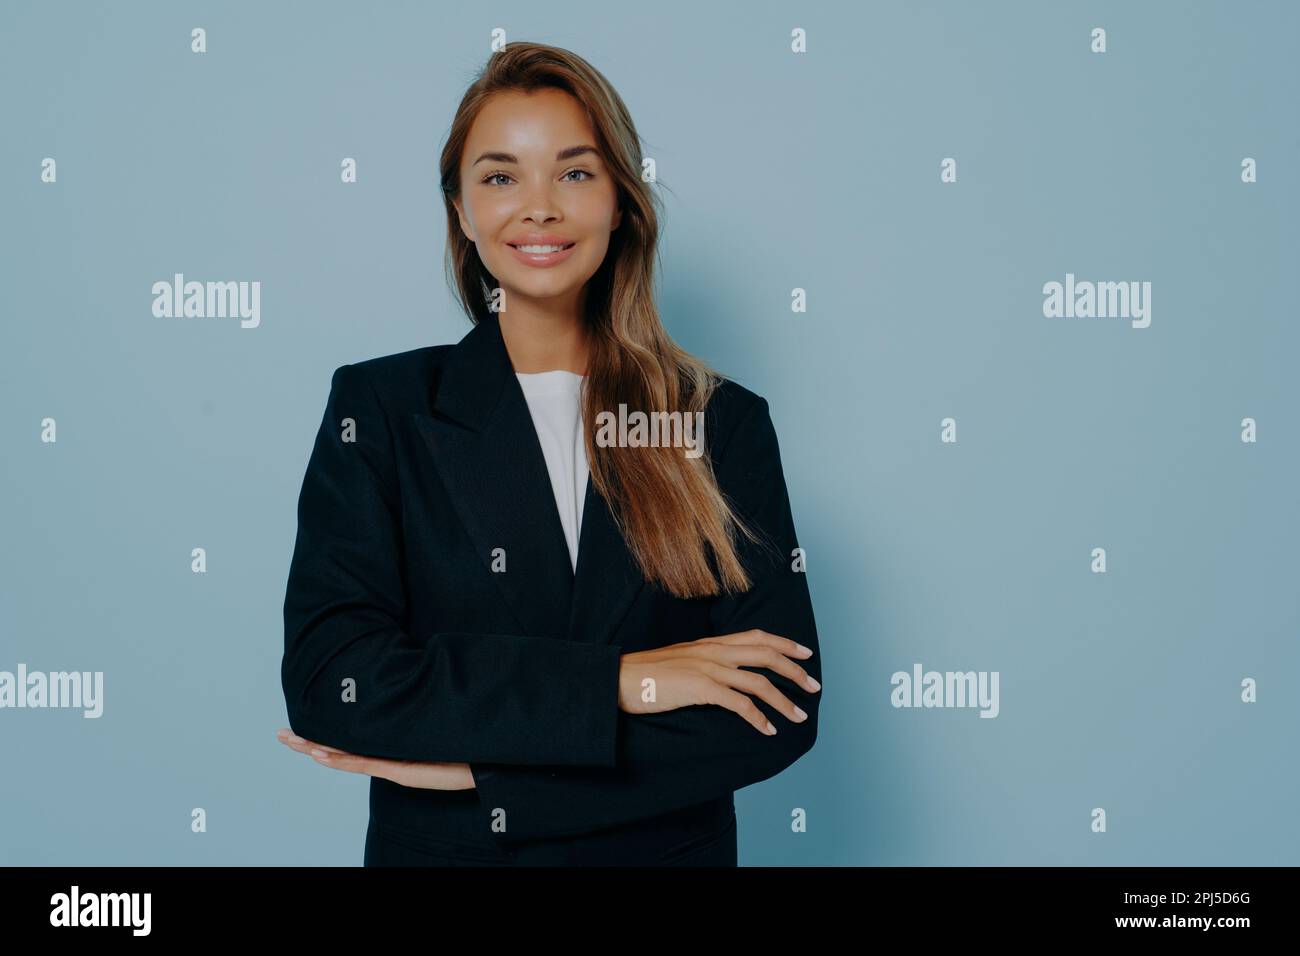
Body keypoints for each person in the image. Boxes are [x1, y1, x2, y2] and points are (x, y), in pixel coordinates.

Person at [277, 41, 823, 866]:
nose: (539, 207)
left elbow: (776, 708)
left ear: (621, 203)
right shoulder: (381, 411)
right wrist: (628, 681)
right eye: (500, 176)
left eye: (574, 173)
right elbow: (337, 682)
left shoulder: (718, 422)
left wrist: (485, 774)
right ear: (460, 209)